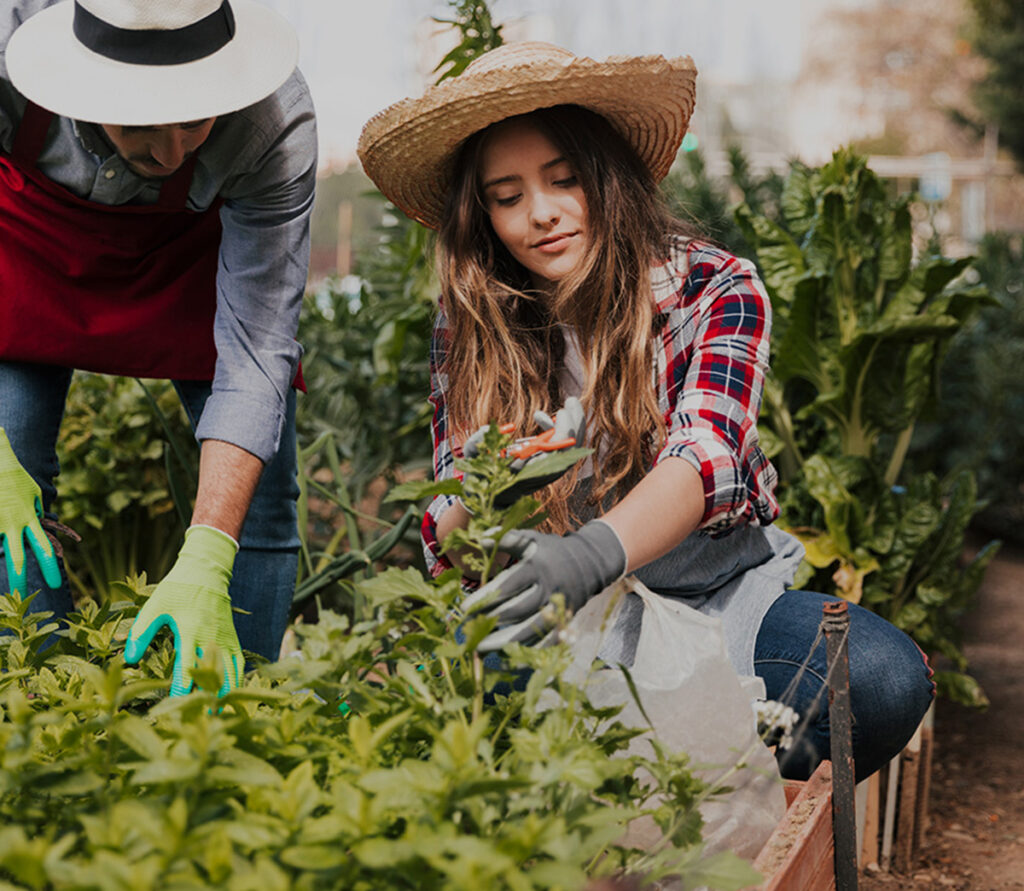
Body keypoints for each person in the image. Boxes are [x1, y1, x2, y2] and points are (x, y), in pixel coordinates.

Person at [358, 41, 935, 780]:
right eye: (506, 197)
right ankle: (659, 784)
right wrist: (481, 488)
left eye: (564, 179)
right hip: (559, 620)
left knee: (881, 679)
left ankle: (708, 794)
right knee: (455, 709)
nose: (541, 214)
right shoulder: (471, 321)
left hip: (715, 597)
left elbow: (704, 459)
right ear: (483, 216)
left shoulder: (710, 287)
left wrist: (593, 551)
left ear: (606, 175)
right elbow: (450, 535)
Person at [0, 0, 317, 697]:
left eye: (196, 118)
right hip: (20, 254)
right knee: (9, 472)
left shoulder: (273, 123)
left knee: (256, 506)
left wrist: (208, 551)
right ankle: (52, 704)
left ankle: (235, 708)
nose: (173, 152)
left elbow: (259, 346)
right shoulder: (6, 46)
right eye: (142, 122)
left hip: (189, 271)